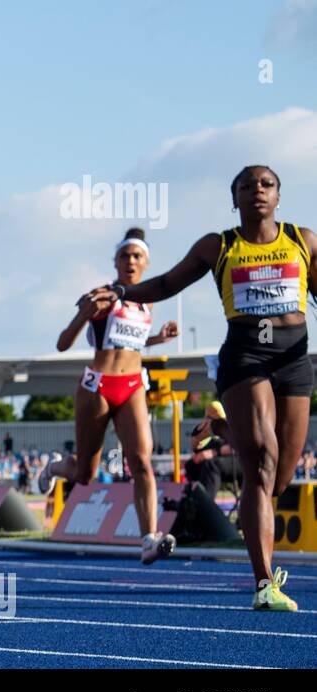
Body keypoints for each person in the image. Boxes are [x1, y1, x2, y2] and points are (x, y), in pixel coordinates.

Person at [88, 166, 311, 610]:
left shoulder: (303, 239)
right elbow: (169, 282)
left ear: (279, 196)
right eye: (246, 186)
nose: (257, 192)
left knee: (279, 477)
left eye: (266, 185)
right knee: (261, 463)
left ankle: (219, 429)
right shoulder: (219, 245)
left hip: (293, 359)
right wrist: (123, 294)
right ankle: (265, 584)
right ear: (235, 200)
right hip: (246, 358)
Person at [40, 228, 180, 565]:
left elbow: (130, 343)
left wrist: (159, 339)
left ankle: (149, 538)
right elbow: (62, 343)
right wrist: (82, 315)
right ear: (115, 262)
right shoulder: (102, 297)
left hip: (133, 385)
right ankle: (57, 467)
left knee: (142, 462)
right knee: (85, 475)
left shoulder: (147, 300)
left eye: (137, 256)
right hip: (97, 386)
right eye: (124, 256)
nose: (130, 261)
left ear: (146, 263)